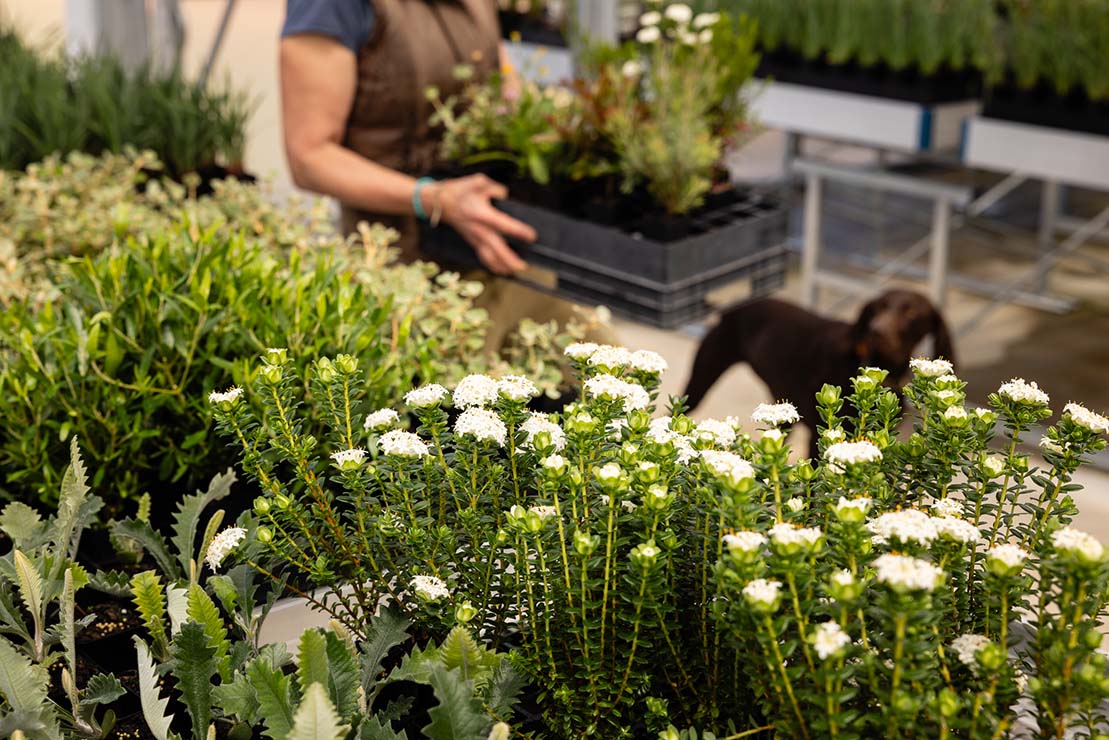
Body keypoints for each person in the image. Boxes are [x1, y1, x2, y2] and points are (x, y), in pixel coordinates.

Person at [279, 0, 615, 351]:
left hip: (504, 251)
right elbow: (310, 155)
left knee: (618, 380)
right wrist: (435, 198)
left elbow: (501, 80)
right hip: (409, 278)